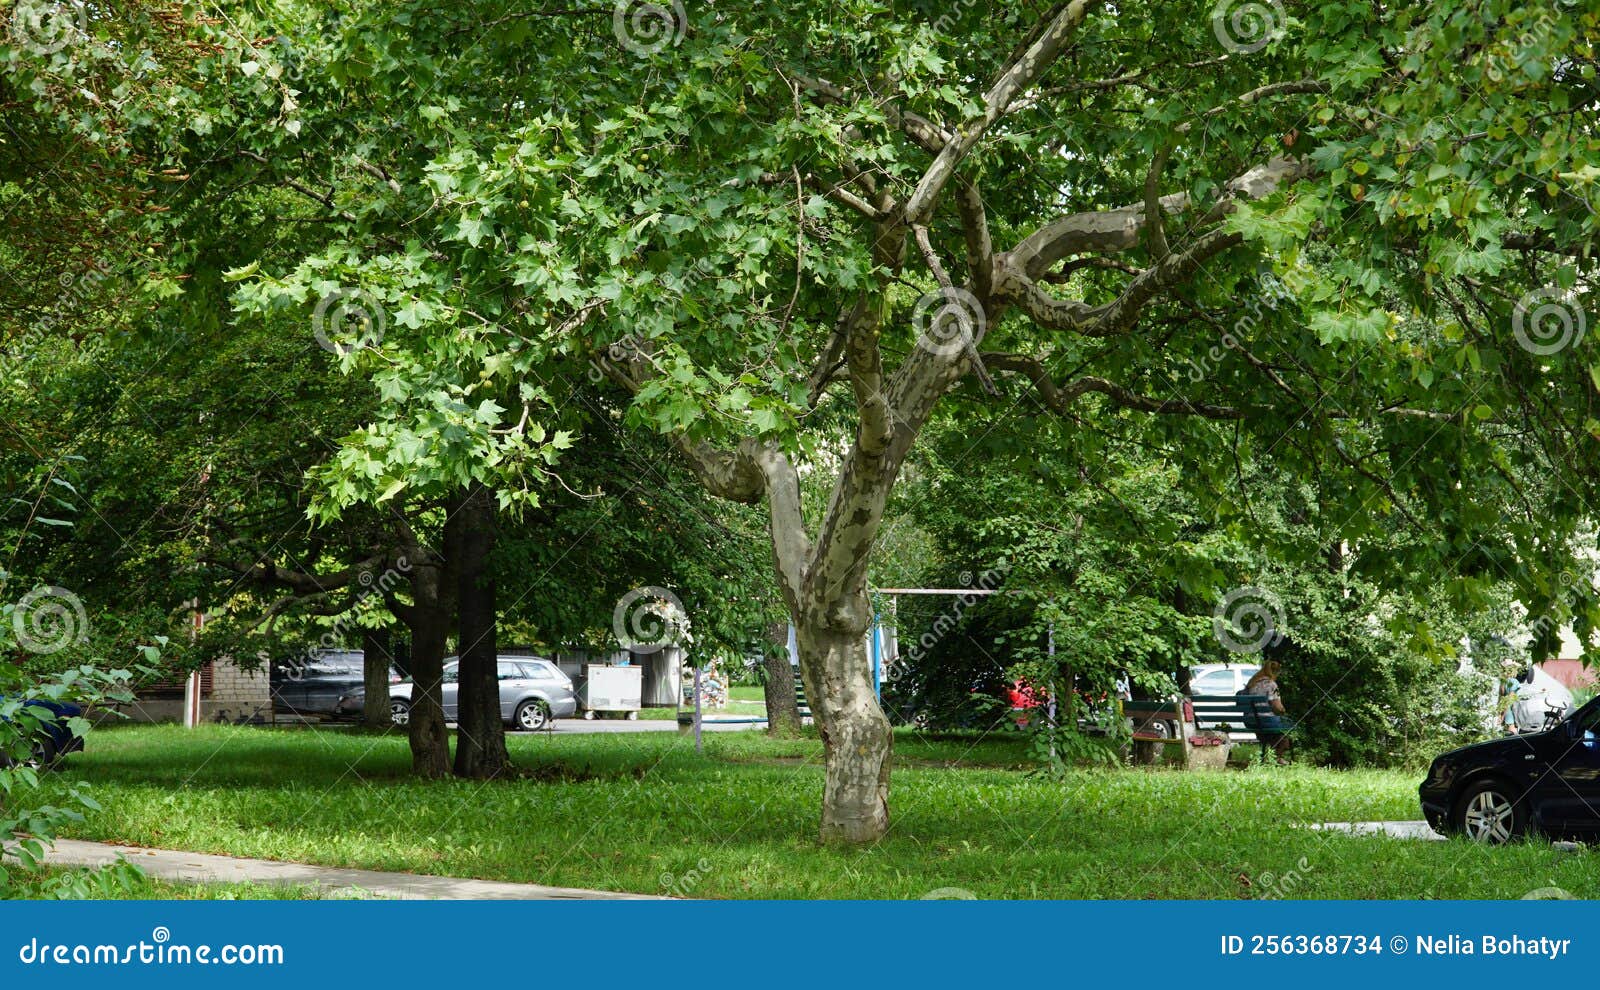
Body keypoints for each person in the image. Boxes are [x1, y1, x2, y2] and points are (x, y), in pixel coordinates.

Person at [1241, 657, 1294, 764]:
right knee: (1286, 733)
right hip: (1265, 721)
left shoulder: (1251, 684)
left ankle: (1273, 757)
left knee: (1272, 734)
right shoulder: (1272, 685)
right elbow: (1277, 707)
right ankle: (1277, 758)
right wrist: (1283, 711)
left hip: (1250, 721)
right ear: (1275, 673)